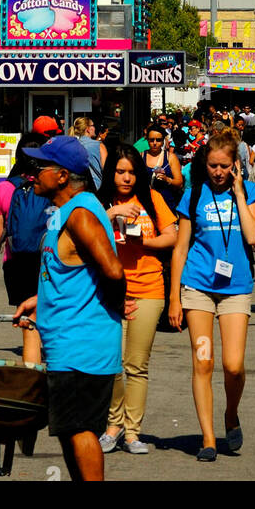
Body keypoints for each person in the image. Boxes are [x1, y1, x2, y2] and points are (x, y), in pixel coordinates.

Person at [12, 137, 129, 483]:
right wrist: (41, 298)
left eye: (39, 168)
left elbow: (113, 271)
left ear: (62, 176)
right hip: (68, 343)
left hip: (82, 345)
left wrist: (114, 306)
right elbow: (73, 270)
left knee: (80, 429)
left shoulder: (80, 215)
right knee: (68, 429)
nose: (32, 175)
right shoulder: (67, 213)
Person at [168, 129, 255, 461]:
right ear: (204, 165)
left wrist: (237, 191)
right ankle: (208, 437)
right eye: (212, 166)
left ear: (235, 164)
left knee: (233, 365)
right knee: (203, 362)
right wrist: (175, 298)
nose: (218, 173)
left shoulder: (250, 191)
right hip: (198, 290)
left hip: (235, 290)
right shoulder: (193, 195)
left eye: (224, 166)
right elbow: (180, 250)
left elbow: (252, 237)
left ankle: (231, 414)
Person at [96, 145, 177, 453]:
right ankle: (112, 426)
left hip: (148, 288)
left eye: (132, 172)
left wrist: (144, 240)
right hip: (110, 289)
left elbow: (172, 235)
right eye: (120, 172)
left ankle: (132, 432)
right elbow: (84, 231)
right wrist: (112, 213)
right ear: (111, 173)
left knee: (136, 364)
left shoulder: (152, 199)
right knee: (112, 362)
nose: (127, 178)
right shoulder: (101, 202)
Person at [0, 131, 49, 365]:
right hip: (46, 260)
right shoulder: (48, 187)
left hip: (16, 263)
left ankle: (31, 372)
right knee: (48, 316)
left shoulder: (4, 188)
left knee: (28, 322)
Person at [142, 123, 183, 206]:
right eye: (151, 140)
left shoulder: (170, 157)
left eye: (158, 140)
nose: (154, 143)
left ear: (163, 140)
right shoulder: (141, 156)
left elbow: (180, 183)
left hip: (166, 203)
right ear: (147, 140)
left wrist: (167, 179)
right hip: (146, 204)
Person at [71, 116, 103, 188]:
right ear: (88, 129)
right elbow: (107, 169)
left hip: (79, 187)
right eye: (93, 125)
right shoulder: (98, 145)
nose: (94, 128)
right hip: (97, 186)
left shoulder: (73, 145)